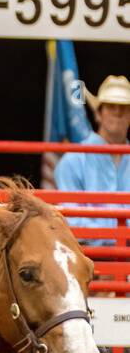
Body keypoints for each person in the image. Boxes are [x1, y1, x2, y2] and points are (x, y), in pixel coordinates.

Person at [55, 75, 130, 247]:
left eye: (124, 108)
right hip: (89, 258)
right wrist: (115, 236)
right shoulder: (72, 161)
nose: (117, 113)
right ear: (98, 113)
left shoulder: (72, 159)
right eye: (111, 107)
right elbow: (72, 219)